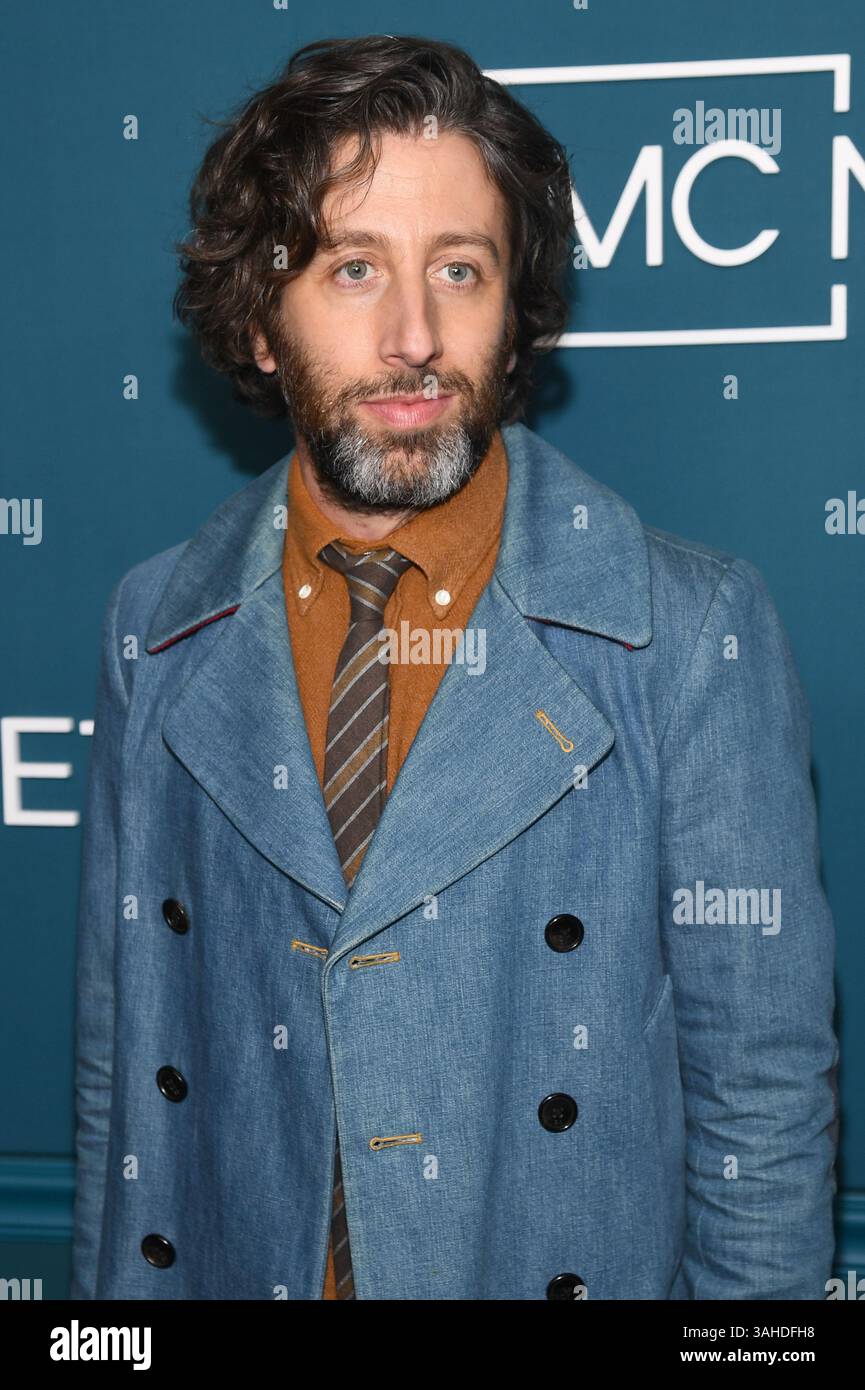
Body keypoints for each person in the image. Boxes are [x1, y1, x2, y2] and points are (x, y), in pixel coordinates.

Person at [70, 33, 839, 1301]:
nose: (414, 336)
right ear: (263, 321)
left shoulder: (690, 635)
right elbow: (127, 1070)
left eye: (461, 272)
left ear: (516, 308)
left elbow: (761, 1101)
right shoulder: (155, 626)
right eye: (353, 267)